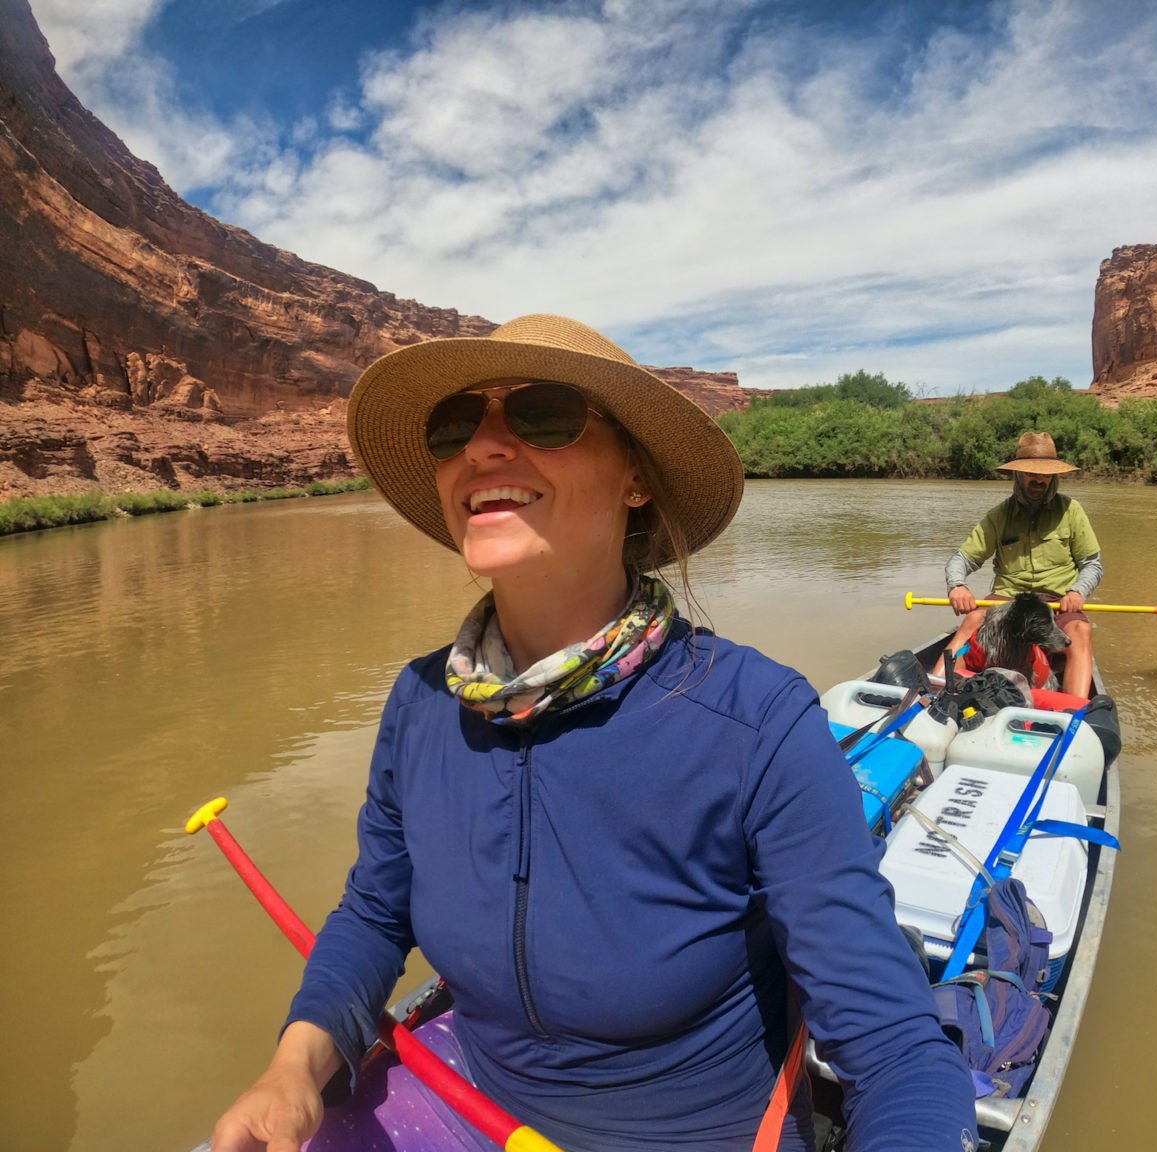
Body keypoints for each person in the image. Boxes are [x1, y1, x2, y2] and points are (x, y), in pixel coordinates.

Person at [208, 314, 976, 1152]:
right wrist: (294, 1066)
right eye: (455, 427)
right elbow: (375, 914)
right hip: (471, 1107)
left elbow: (894, 1047)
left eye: (543, 415)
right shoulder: (420, 704)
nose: (485, 448)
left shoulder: (758, 721)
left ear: (635, 479)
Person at [941, 431, 1102, 700]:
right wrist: (957, 585)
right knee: (972, 621)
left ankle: (1073, 711)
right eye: (1031, 472)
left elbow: (1092, 564)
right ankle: (940, 694)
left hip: (1057, 601)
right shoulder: (1000, 515)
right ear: (1018, 475)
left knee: (1081, 631)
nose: (1039, 479)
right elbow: (963, 559)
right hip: (1008, 601)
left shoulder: (1072, 511)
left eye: (1046, 474)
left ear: (1054, 477)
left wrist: (1078, 592)